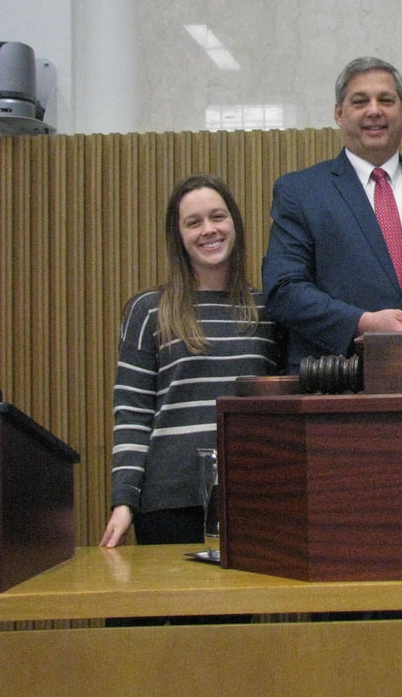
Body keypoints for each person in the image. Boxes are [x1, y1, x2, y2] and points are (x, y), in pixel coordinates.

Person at [101, 175, 282, 547]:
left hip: (252, 497)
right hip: (169, 504)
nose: (209, 230)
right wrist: (123, 501)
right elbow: (132, 416)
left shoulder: (270, 311)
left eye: (218, 216)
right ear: (179, 236)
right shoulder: (148, 311)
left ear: (235, 224)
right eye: (193, 222)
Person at [262, 56, 402, 370]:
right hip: (338, 382)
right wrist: (362, 322)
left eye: (386, 100)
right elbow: (284, 290)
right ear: (338, 113)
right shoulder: (301, 192)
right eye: (360, 101)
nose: (374, 110)